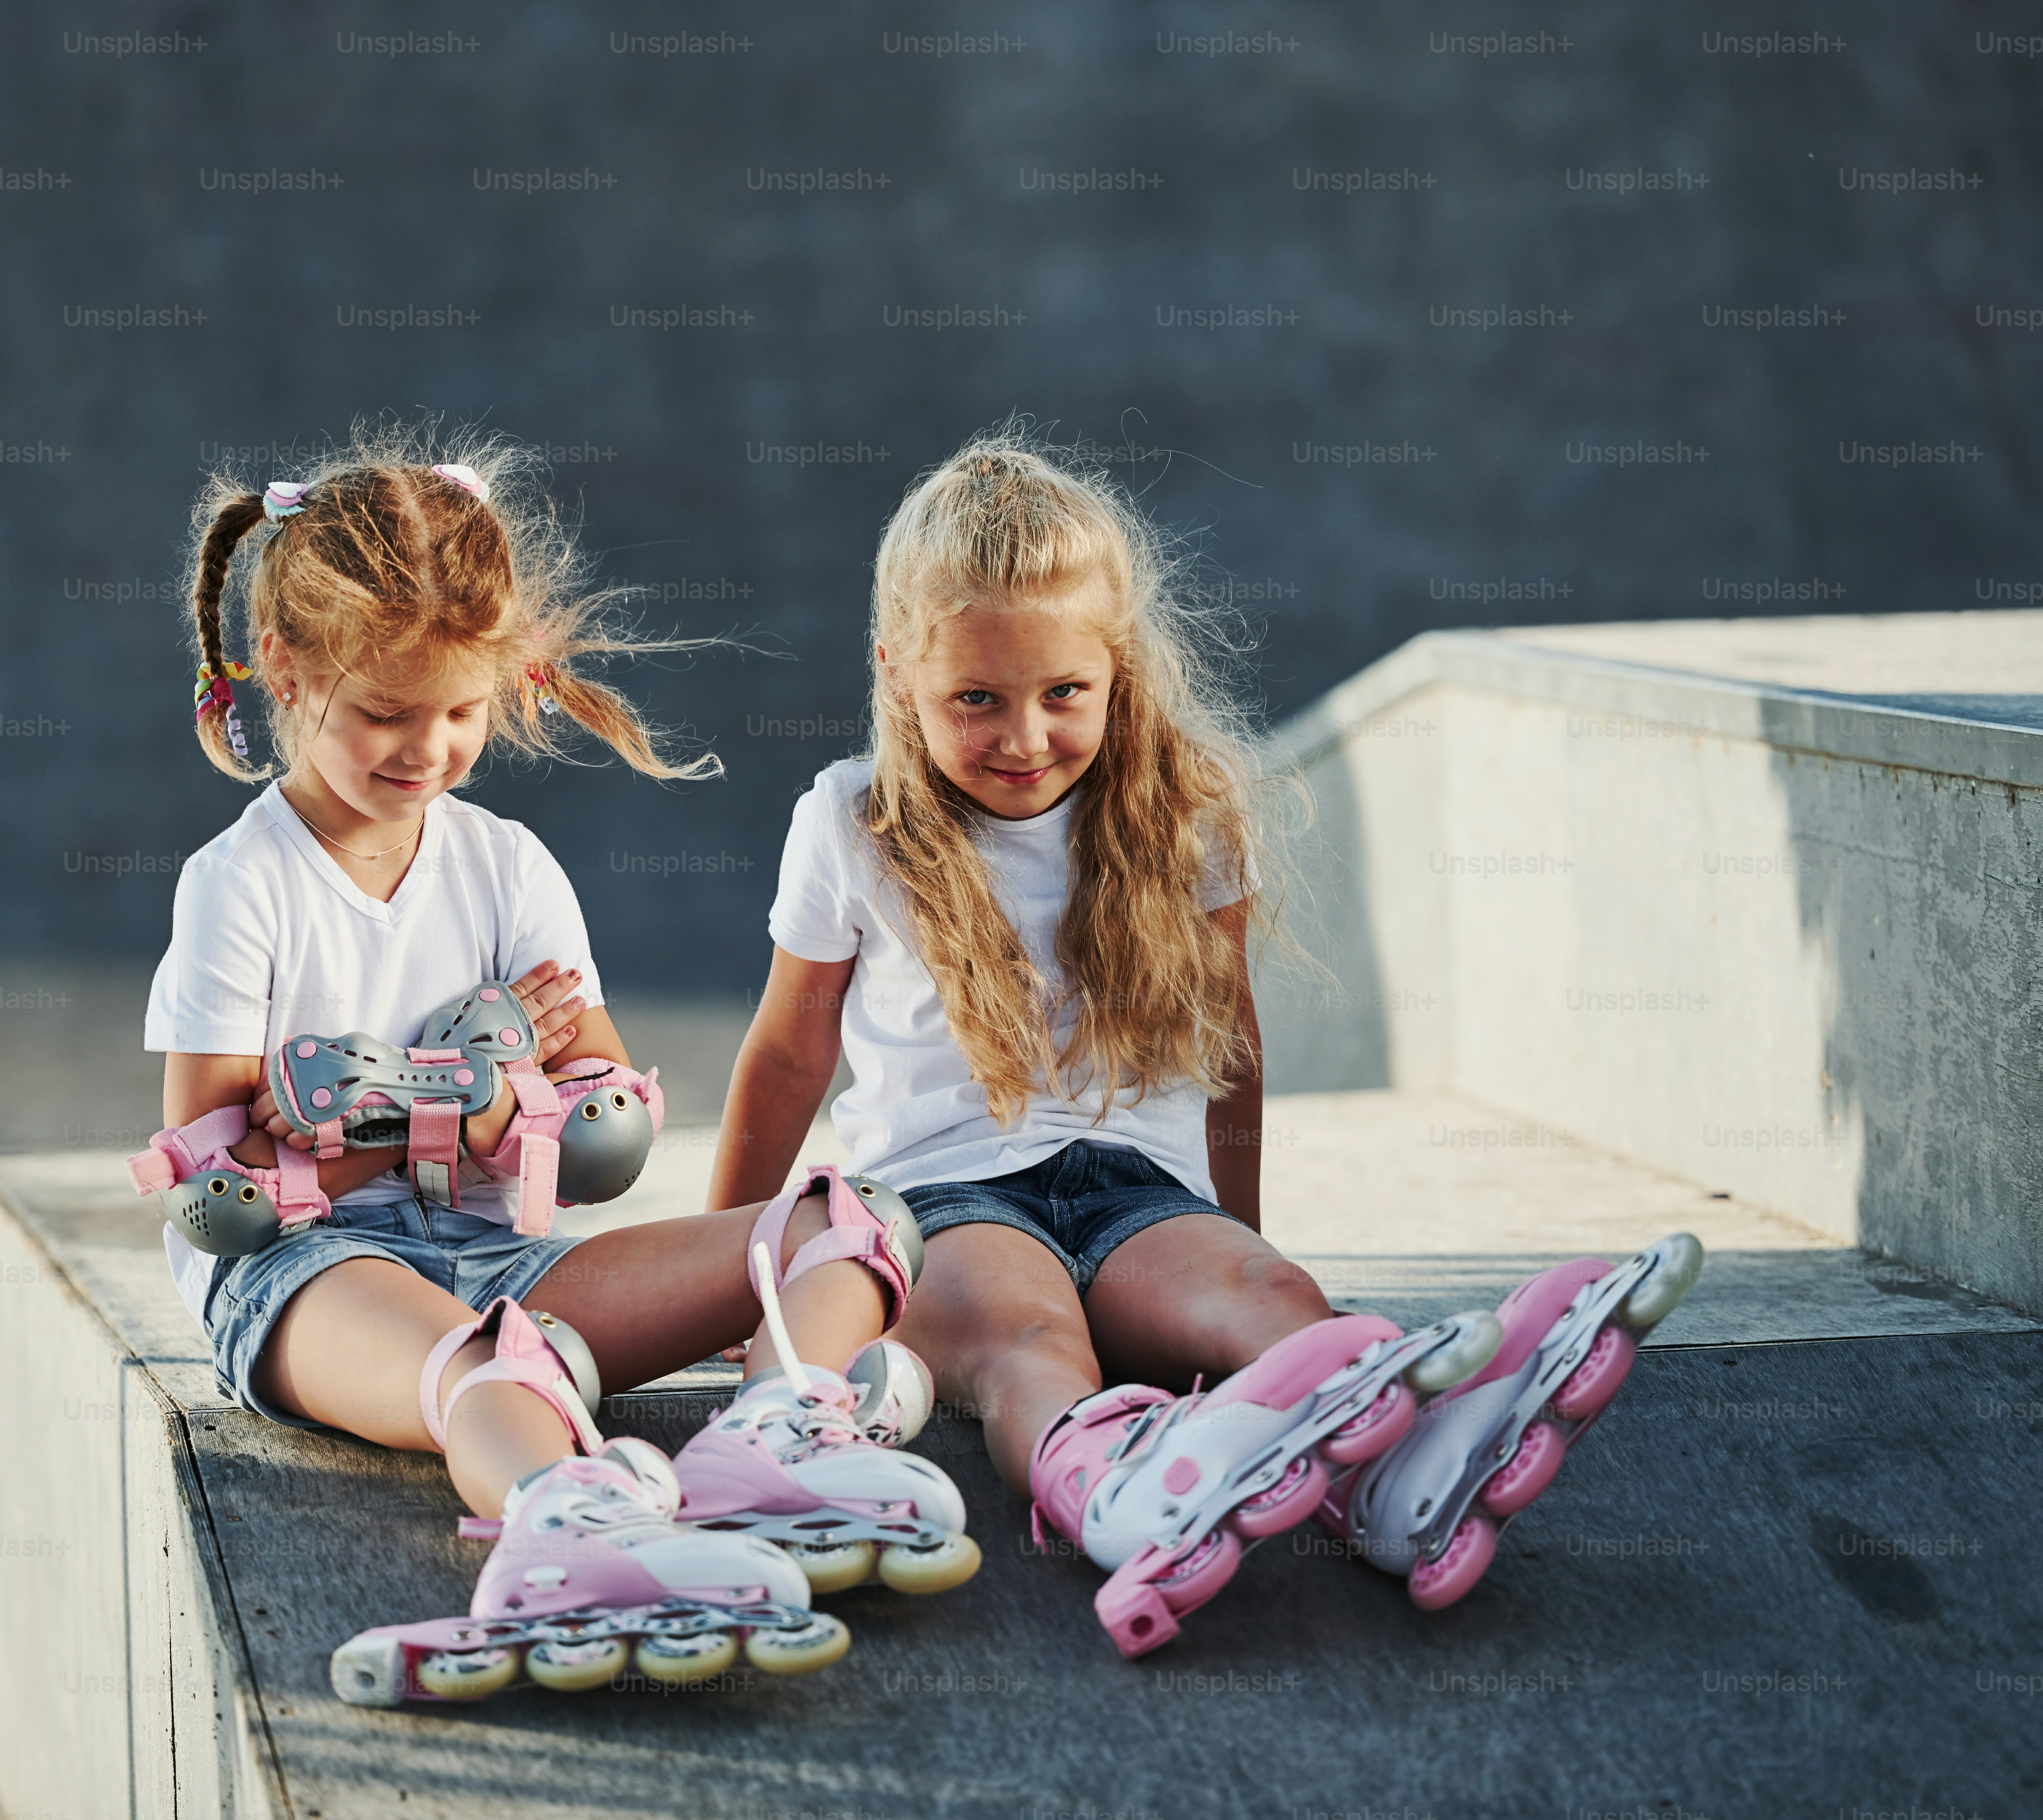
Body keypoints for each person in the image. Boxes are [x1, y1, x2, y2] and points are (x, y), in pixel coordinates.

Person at [711, 426, 1701, 1657]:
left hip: (1139, 1192)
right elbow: (788, 1053)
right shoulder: (851, 820)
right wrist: (733, 1268)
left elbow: (1231, 1047)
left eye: (1064, 693)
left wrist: (1244, 1228)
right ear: (898, 676)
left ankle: (1398, 1473)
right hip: (939, 1201)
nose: (1024, 736)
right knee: (1032, 1343)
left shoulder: (1184, 811)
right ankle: (1117, 1492)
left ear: (1118, 668)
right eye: (977, 699)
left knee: (1271, 1295)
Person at [131, 422, 974, 1707]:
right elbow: (217, 1188)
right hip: (309, 1281)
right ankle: (561, 1528)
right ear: (288, 675)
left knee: (841, 1224)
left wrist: (460, 1096)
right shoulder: (239, 885)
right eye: (385, 714)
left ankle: (771, 1438)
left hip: (504, 1258)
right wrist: (466, 1096)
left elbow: (602, 1142)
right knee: (494, 1363)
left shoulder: (508, 866)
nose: (427, 750)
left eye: (462, 712)